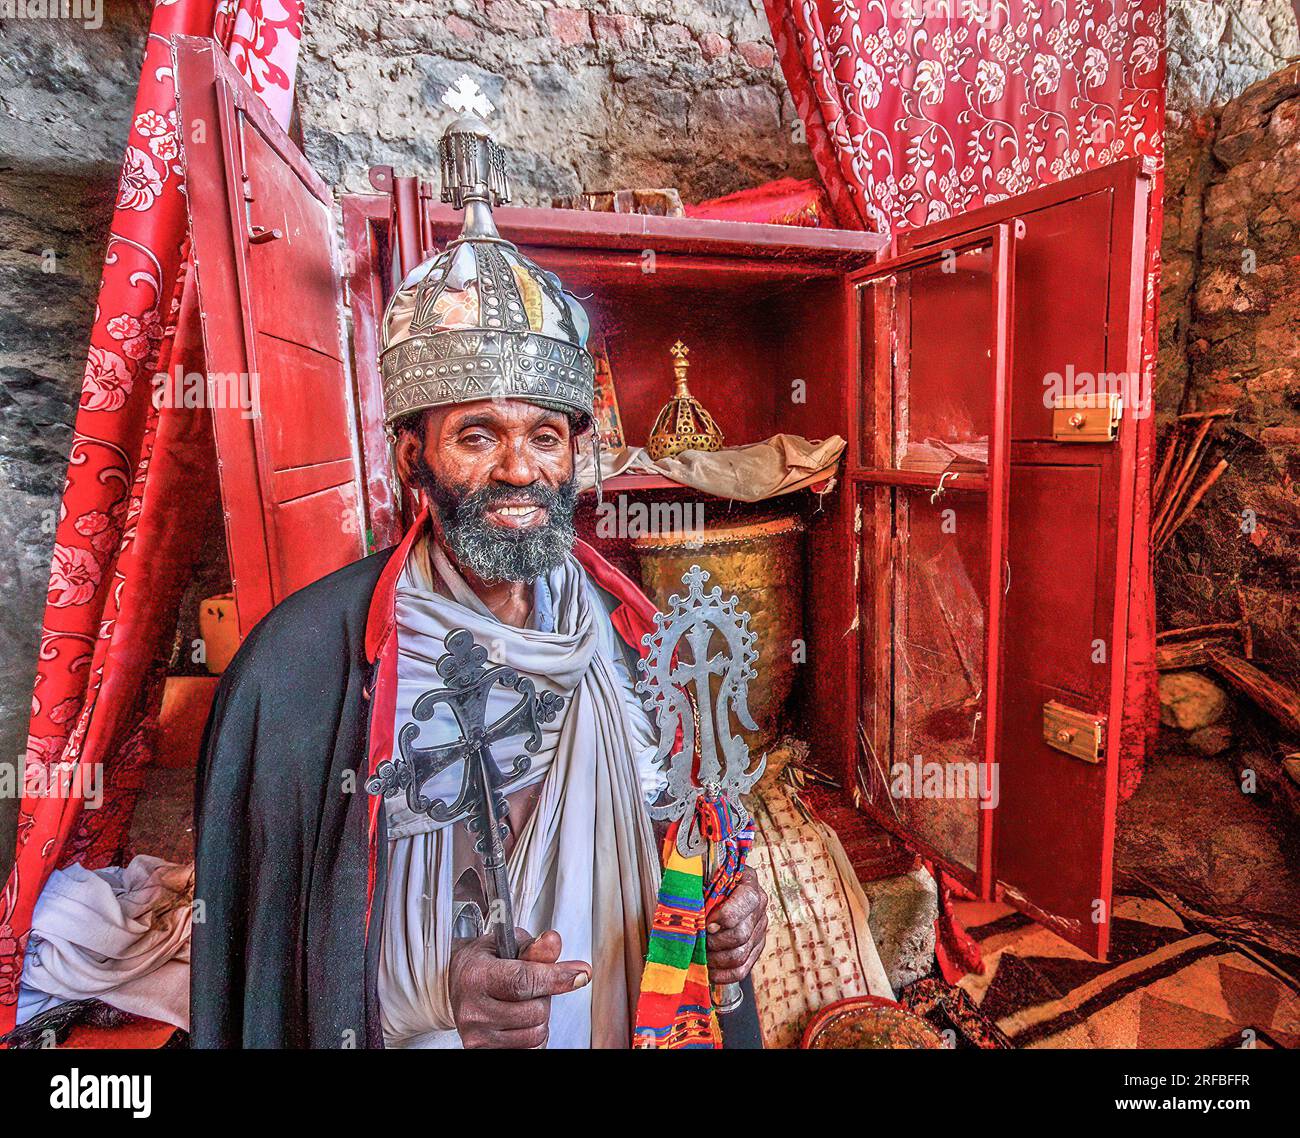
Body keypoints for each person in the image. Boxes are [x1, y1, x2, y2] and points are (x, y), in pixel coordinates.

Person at [191, 89, 767, 1049]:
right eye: (476, 434)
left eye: (545, 435)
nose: (519, 469)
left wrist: (727, 915)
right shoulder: (291, 677)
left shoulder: (625, 632)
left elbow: (690, 837)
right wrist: (432, 985)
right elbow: (282, 960)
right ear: (411, 457)